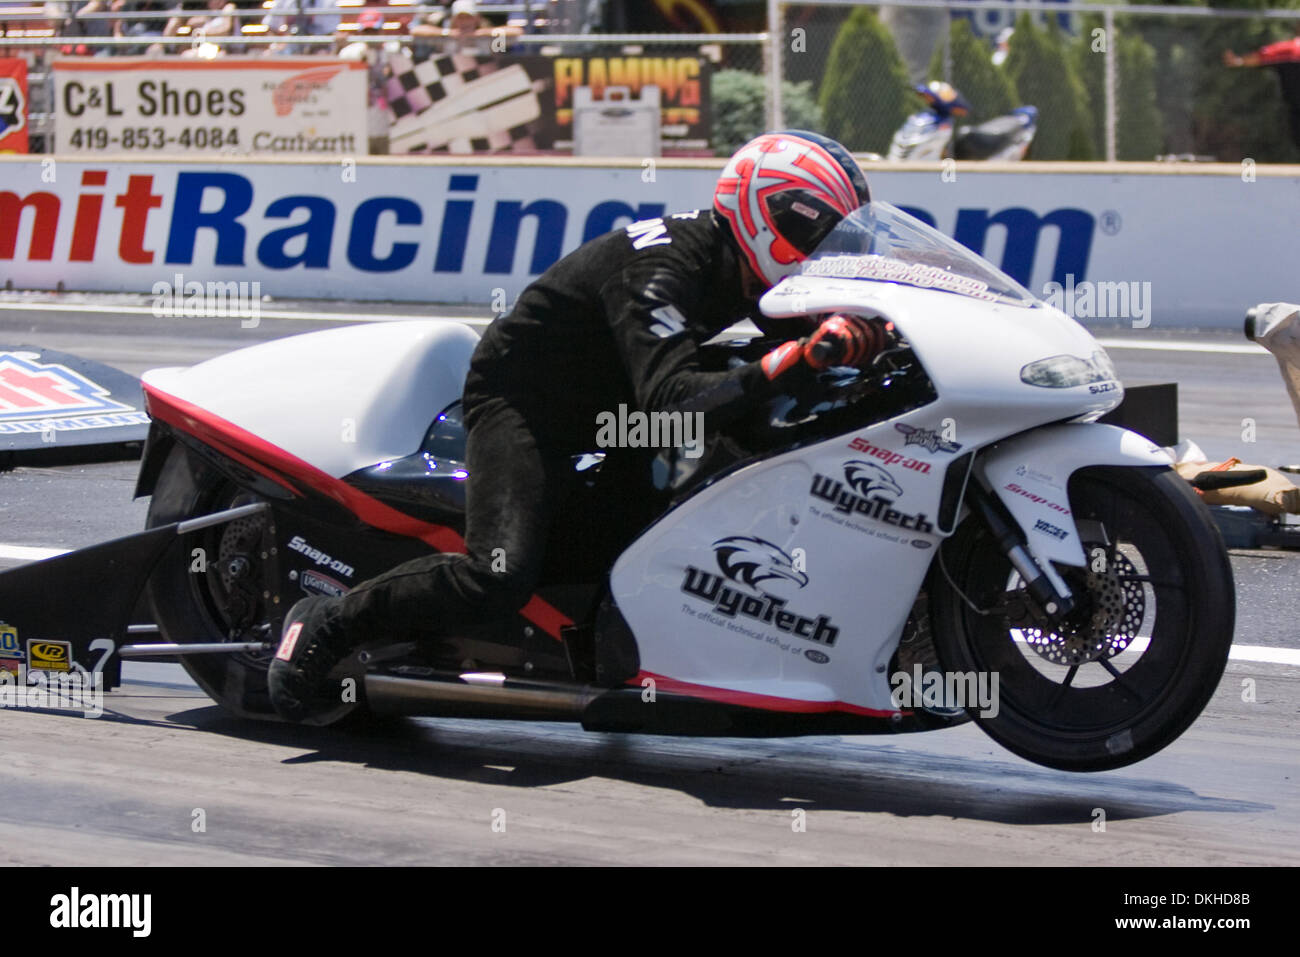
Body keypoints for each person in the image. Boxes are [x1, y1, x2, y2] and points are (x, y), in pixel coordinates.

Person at [267, 130, 886, 721]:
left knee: (743, 452)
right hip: (529, 407)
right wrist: (797, 358)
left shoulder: (744, 266)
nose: (825, 249)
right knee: (499, 573)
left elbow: (796, 337)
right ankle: (328, 620)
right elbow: (673, 403)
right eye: (815, 230)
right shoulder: (660, 270)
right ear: (760, 211)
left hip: (614, 411)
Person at [1224, 32, 1300, 150]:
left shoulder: (1288, 50)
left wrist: (1239, 61)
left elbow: (1261, 56)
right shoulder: (1291, 49)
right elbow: (1263, 56)